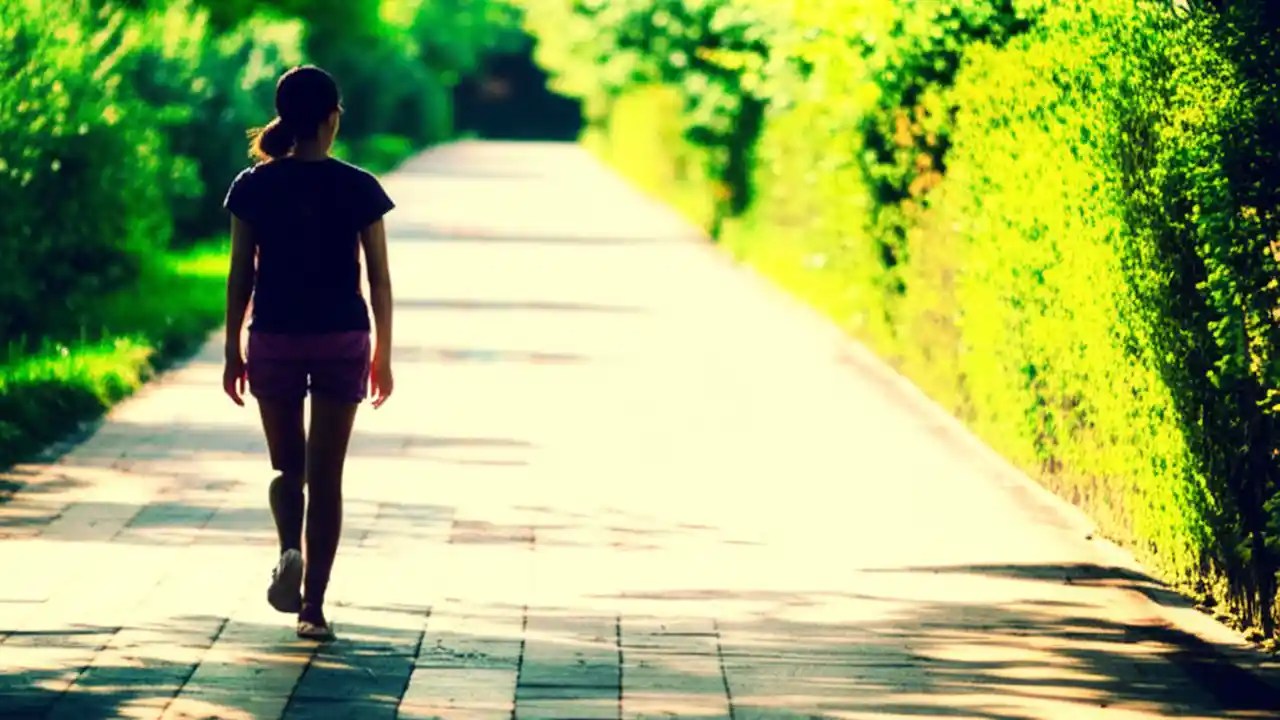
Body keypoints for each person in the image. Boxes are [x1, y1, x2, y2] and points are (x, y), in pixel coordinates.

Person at [221, 65, 395, 641]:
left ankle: (287, 548)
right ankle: (312, 610)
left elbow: (239, 275)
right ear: (331, 118)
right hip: (342, 338)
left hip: (273, 337)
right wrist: (384, 356)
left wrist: (230, 350)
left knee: (285, 468)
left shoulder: (253, 186)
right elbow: (379, 280)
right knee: (327, 477)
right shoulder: (359, 186)